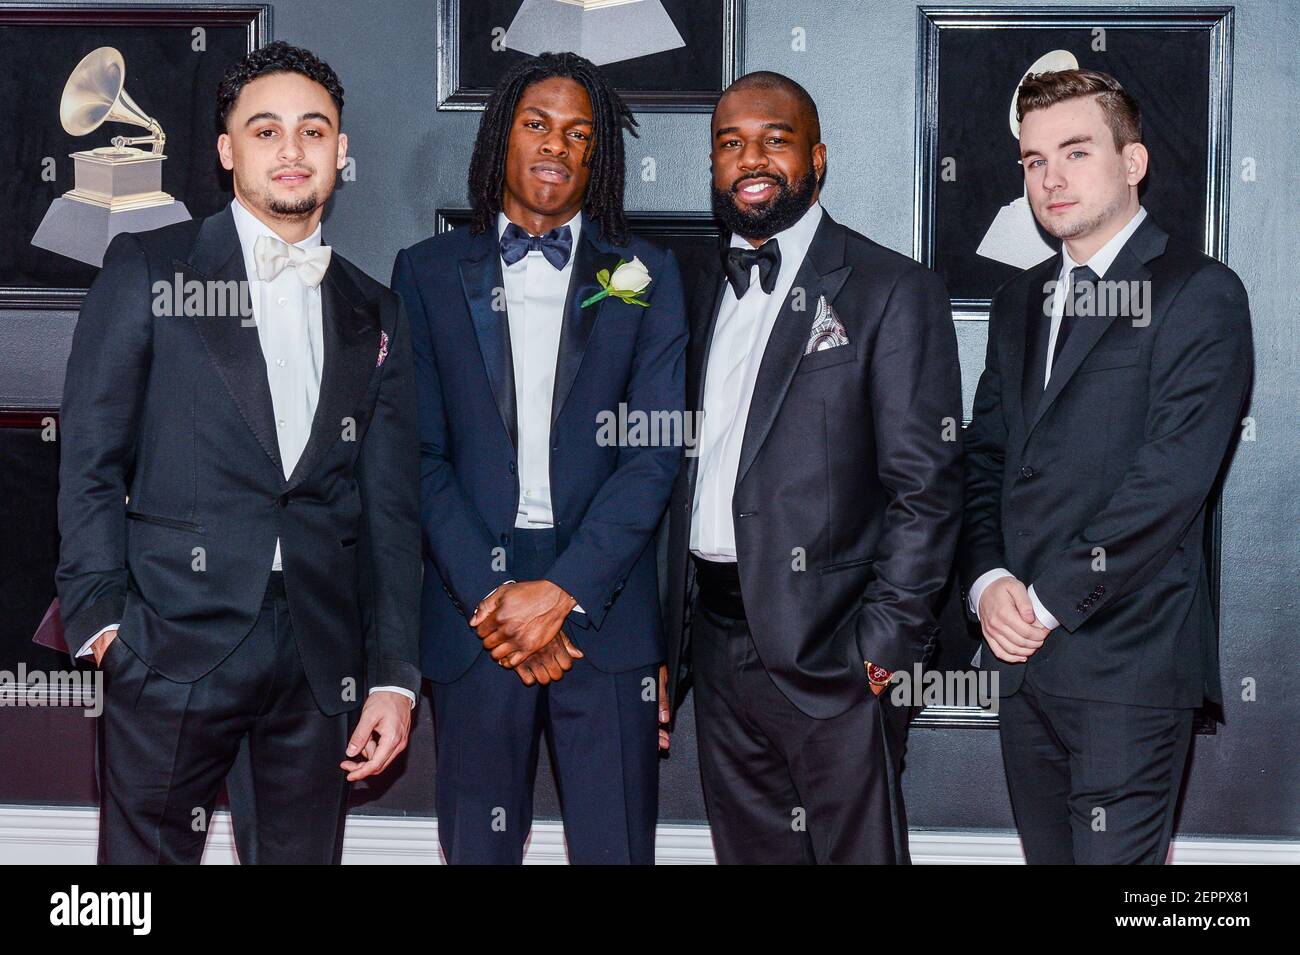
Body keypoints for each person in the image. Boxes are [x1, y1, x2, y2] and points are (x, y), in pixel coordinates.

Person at [56, 41, 421, 864]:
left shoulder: (379, 308)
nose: (291, 151)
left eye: (313, 131)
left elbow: (393, 508)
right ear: (227, 151)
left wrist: (395, 675)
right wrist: (105, 626)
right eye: (265, 131)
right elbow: (89, 461)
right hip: (166, 643)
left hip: (322, 661)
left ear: (342, 151)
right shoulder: (148, 268)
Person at [391, 51, 687, 864]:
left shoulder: (648, 276)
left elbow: (654, 456)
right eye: (537, 123)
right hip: (473, 611)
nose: (557, 145)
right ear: (500, 137)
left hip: (606, 605)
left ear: (600, 156)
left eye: (579, 133)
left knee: (615, 851)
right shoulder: (422, 273)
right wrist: (497, 596)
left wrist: (563, 591)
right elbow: (417, 453)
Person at [662, 71, 964, 864]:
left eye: (774, 139)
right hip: (716, 647)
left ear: (817, 159)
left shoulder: (893, 288)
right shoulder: (692, 289)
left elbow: (925, 488)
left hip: (836, 653)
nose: (750, 157)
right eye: (730, 143)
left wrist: (883, 646)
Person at [960, 68, 1253, 864]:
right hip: (1021, 671)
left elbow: (1168, 484)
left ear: (1133, 163)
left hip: (1128, 669)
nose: (1050, 178)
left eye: (1076, 151)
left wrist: (1046, 601)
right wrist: (988, 585)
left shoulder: (1199, 292)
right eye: (1032, 160)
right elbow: (985, 460)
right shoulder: (1016, 304)